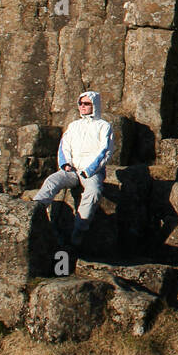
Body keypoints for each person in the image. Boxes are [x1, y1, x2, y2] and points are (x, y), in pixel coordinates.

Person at [33, 91, 114, 247]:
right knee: (52, 180)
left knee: (94, 191)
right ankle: (35, 208)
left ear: (94, 105)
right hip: (72, 170)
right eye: (81, 103)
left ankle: (78, 230)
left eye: (86, 103)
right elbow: (64, 146)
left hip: (92, 172)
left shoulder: (104, 127)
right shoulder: (74, 126)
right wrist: (66, 164)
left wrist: (89, 171)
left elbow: (105, 152)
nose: (82, 106)